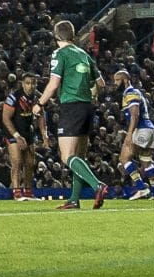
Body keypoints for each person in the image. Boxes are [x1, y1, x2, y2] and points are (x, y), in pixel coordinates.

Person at [35, 19, 110, 210]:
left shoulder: (59, 54)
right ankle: (75, 200)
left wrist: (39, 103)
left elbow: (53, 84)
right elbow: (100, 83)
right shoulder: (84, 54)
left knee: (66, 156)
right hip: (87, 108)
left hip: (71, 106)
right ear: (73, 35)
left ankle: (97, 185)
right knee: (79, 156)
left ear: (55, 36)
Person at [113, 69, 154, 198]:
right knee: (146, 162)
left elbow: (135, 115)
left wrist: (129, 134)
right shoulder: (135, 92)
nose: (115, 83)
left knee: (124, 158)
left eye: (117, 80)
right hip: (150, 129)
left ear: (125, 80)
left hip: (142, 129)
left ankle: (141, 188)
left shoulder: (130, 93)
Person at [1, 74, 43, 200]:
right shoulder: (14, 97)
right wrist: (17, 136)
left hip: (27, 132)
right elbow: (5, 118)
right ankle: (17, 191)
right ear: (23, 84)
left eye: (33, 83)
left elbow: (41, 117)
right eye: (28, 83)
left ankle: (28, 192)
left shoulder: (37, 98)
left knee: (30, 163)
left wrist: (44, 135)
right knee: (17, 162)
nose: (31, 86)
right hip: (13, 132)